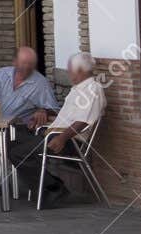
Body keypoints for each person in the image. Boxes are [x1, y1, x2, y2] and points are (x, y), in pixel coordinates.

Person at [7, 53, 106, 204]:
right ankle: (48, 187)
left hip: (70, 142)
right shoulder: (78, 89)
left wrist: (62, 137)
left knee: (18, 153)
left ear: (80, 70)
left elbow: (83, 121)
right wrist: (44, 114)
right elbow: (67, 116)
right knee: (10, 142)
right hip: (53, 134)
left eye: (71, 69)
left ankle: (53, 187)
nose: (69, 72)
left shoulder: (93, 89)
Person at [0, 46, 57, 129]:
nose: (27, 66)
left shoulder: (40, 83)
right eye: (24, 62)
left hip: (20, 129)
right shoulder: (1, 74)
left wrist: (44, 111)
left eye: (30, 63)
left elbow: (55, 110)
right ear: (15, 62)